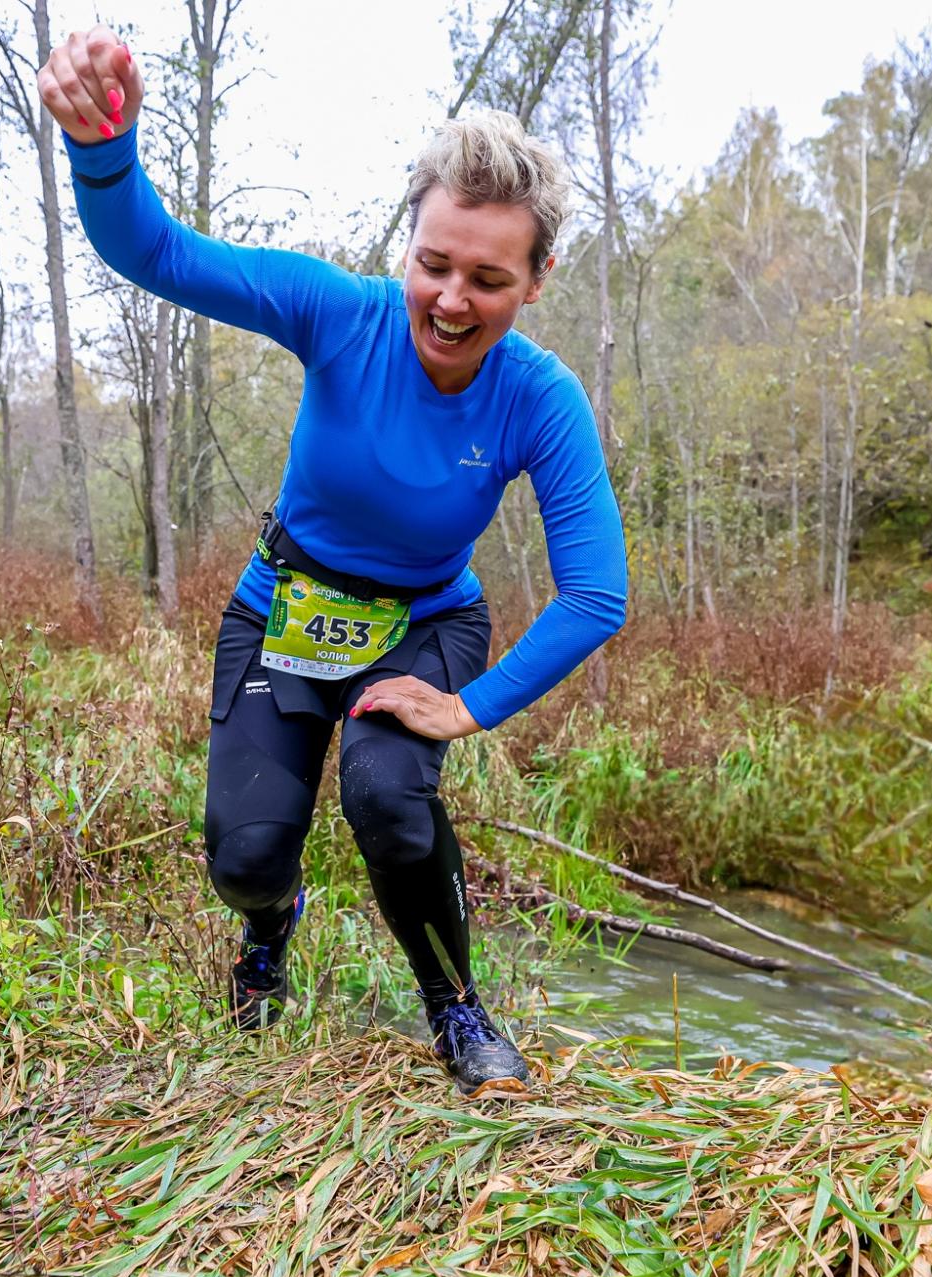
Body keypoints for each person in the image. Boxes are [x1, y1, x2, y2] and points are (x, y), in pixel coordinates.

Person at [38, 25, 626, 1095]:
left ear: (534, 281)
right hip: (281, 615)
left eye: (487, 279)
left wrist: (473, 705)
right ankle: (273, 927)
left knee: (389, 802)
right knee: (244, 859)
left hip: (422, 626)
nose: (450, 299)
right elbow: (155, 253)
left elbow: (596, 593)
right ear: (407, 244)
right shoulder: (338, 315)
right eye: (433, 263)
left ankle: (456, 1009)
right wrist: (103, 149)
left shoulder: (539, 398)